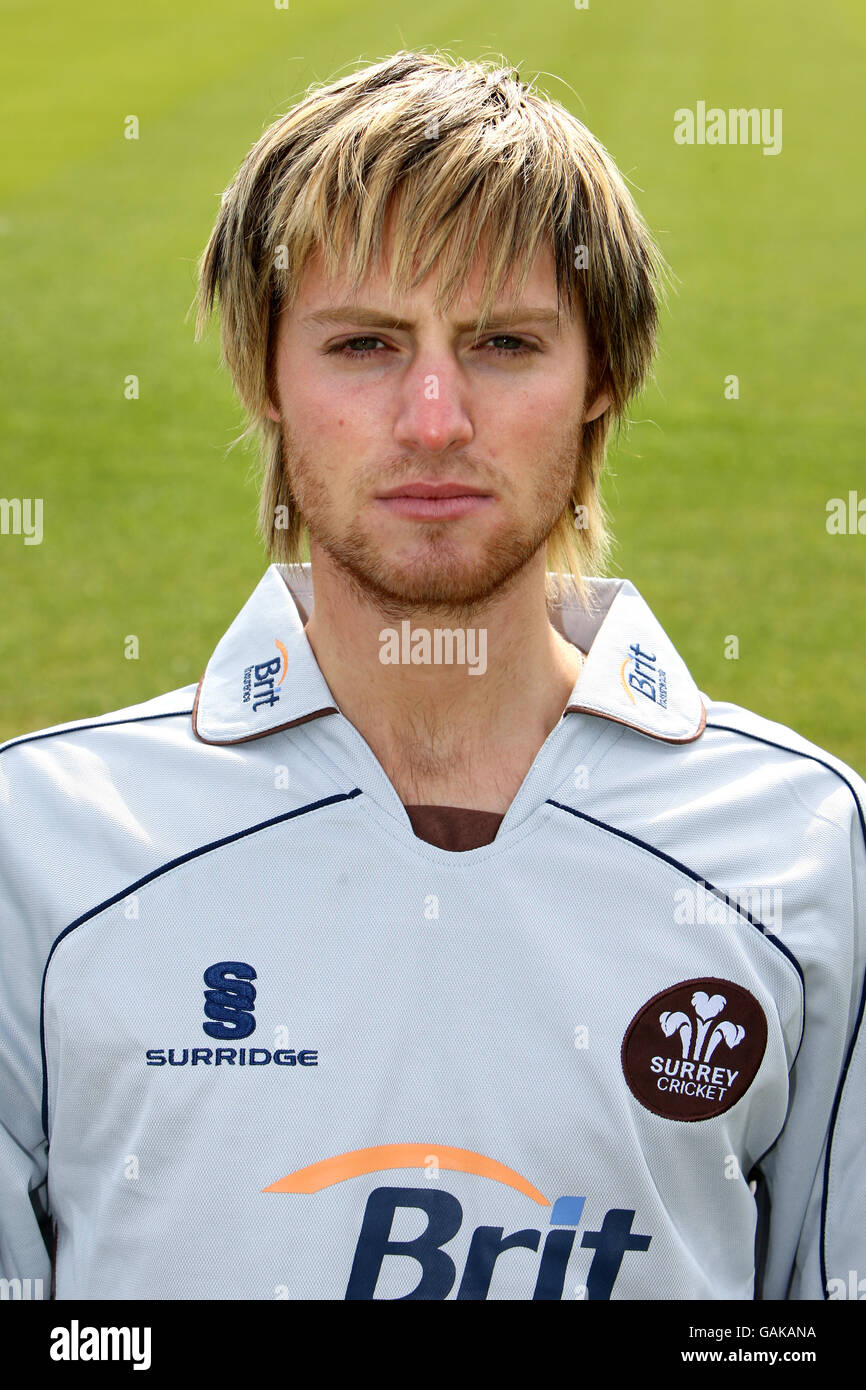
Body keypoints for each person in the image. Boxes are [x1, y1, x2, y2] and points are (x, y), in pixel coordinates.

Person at [1, 48, 863, 1303]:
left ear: (600, 383)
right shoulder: (41, 848)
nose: (432, 418)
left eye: (503, 343)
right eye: (361, 344)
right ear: (266, 379)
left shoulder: (805, 848)